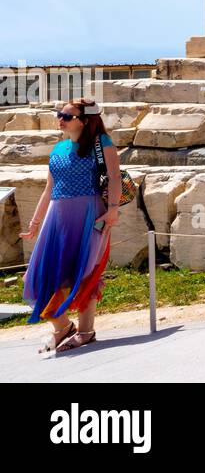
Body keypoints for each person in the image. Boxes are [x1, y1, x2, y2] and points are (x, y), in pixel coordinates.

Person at [20, 98, 121, 353]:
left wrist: (112, 210)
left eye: (66, 116)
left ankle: (86, 332)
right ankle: (63, 327)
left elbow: (115, 177)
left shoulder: (101, 144)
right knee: (43, 274)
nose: (60, 119)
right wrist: (35, 223)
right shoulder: (59, 148)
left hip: (89, 213)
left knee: (84, 272)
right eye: (59, 114)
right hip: (58, 216)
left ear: (84, 121)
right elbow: (48, 190)